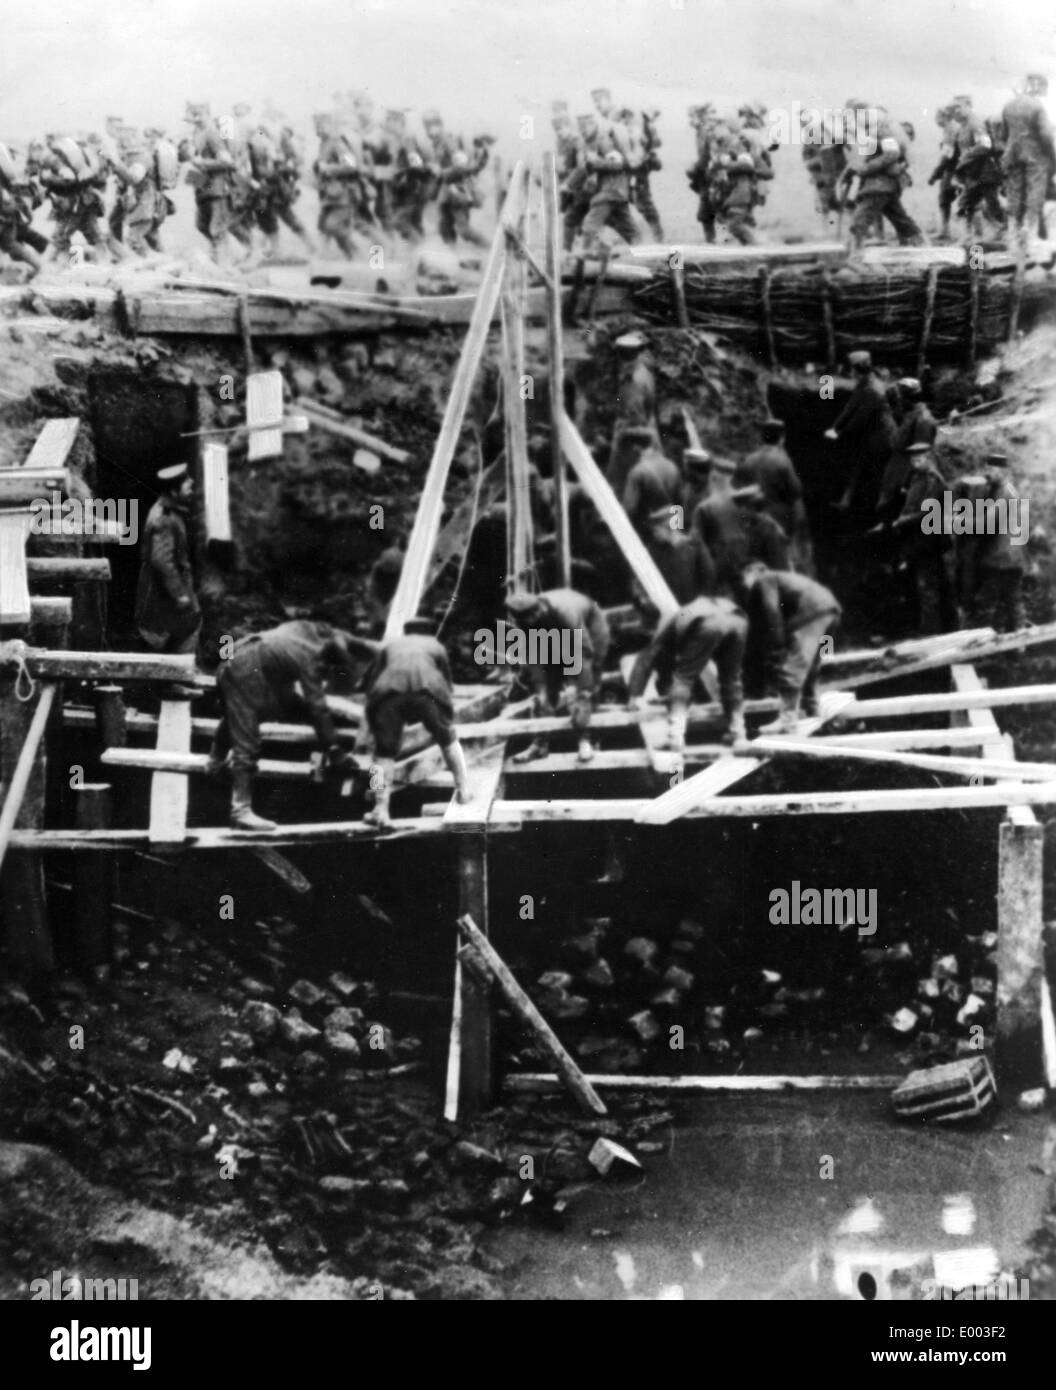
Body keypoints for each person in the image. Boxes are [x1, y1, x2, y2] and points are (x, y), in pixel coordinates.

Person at [208, 620, 361, 831]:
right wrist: (334, 749)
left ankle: (215, 761)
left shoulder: (302, 632)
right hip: (244, 666)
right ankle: (240, 811)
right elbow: (317, 706)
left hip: (241, 656)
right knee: (247, 736)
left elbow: (302, 703)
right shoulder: (313, 658)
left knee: (275, 705)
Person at [356, 617, 470, 826]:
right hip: (428, 691)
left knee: (382, 753)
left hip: (388, 693)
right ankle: (464, 790)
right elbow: (446, 682)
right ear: (429, 632)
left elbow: (371, 682)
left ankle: (379, 809)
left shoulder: (390, 646)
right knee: (448, 739)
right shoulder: (435, 646)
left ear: (405, 632)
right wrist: (440, 716)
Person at [627, 594, 748, 751]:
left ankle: (675, 738)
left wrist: (634, 695)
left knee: (682, 679)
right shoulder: (685, 615)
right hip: (738, 620)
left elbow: (646, 658)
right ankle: (738, 734)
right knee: (731, 679)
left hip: (709, 622)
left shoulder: (670, 622)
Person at [505, 587, 610, 764]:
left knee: (583, 689)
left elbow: (582, 652)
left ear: (539, 610)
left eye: (533, 617)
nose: (530, 622)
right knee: (543, 695)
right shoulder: (524, 623)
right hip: (555, 635)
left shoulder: (566, 613)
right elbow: (535, 660)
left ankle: (586, 739)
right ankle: (540, 743)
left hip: (590, 629)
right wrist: (542, 689)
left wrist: (574, 685)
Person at [742, 564, 842, 732]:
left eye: (745, 579)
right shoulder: (786, 579)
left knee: (794, 666)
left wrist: (778, 644)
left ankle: (787, 720)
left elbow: (772, 610)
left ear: (753, 572)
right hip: (832, 612)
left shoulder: (765, 578)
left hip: (814, 613)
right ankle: (813, 708)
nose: (745, 585)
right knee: (813, 664)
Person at [891, 441, 958, 635]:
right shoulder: (916, 477)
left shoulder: (932, 481)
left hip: (929, 541)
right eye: (913, 459)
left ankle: (931, 633)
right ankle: (948, 628)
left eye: (919, 459)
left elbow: (925, 511)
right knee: (935, 585)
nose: (915, 462)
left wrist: (902, 521)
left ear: (928, 459)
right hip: (919, 540)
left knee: (928, 587)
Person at [134, 463, 201, 656]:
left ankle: (171, 677)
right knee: (186, 625)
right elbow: (162, 560)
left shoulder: (169, 510)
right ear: (173, 491)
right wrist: (179, 594)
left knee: (164, 634)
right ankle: (177, 677)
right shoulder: (164, 519)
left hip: (164, 588)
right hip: (162, 589)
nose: (190, 491)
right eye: (187, 488)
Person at [824, 348, 897, 519]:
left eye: (850, 369)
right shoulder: (864, 383)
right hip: (871, 434)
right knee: (857, 467)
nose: (849, 372)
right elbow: (849, 408)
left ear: (857, 369)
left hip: (883, 437)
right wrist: (834, 427)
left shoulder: (873, 389)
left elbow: (859, 419)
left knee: (874, 473)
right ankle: (847, 502)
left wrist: (839, 434)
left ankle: (879, 513)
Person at [693, 467, 790, 597]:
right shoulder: (759, 523)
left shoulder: (702, 504)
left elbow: (676, 508)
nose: (738, 511)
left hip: (756, 577)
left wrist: (676, 531)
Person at [961, 452, 1029, 632]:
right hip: (1003, 556)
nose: (987, 473)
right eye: (986, 468)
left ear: (1003, 471)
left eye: (991, 469)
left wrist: (958, 522)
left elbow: (986, 522)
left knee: (1009, 599)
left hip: (1005, 557)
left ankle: (1019, 640)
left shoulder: (1005, 492)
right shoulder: (997, 490)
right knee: (1005, 600)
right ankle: (1005, 639)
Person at [843, 100, 923, 248]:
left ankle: (854, 256)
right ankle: (922, 245)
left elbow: (892, 153)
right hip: (881, 185)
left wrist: (867, 168)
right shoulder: (870, 131)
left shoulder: (881, 130)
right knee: (900, 219)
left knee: (860, 219)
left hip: (879, 185)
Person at [735, 418, 812, 572]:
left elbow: (735, 486)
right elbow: (796, 490)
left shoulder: (748, 459)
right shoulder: (783, 461)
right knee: (778, 565)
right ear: (782, 438)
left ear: (762, 436)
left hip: (751, 519)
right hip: (778, 522)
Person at [1001, 74, 1055, 251]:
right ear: (1038, 87)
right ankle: (1028, 232)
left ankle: (1012, 232)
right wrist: (1051, 155)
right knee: (1035, 192)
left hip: (1013, 154)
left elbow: (1003, 135)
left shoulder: (1009, 106)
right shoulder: (1037, 106)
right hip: (1035, 155)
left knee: (1014, 192)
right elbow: (1046, 135)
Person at [876, 378, 937, 520]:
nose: (898, 400)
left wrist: (906, 483)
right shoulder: (910, 415)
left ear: (908, 398)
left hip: (904, 472)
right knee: (886, 507)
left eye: (900, 397)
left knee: (895, 512)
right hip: (896, 468)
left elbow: (921, 456)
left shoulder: (923, 420)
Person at [643, 505, 715, 602]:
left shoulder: (695, 546)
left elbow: (709, 576)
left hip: (699, 606)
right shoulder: (658, 553)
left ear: (670, 527)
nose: (654, 535)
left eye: (657, 530)